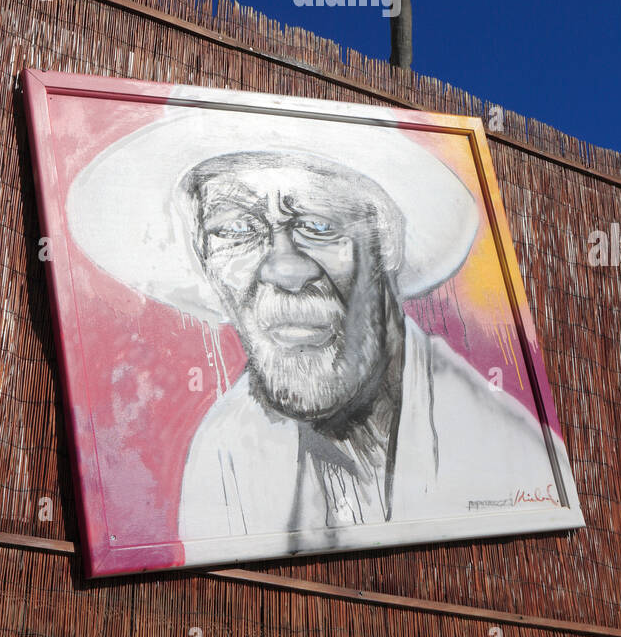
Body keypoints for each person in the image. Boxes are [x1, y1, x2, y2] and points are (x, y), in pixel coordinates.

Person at [66, 100, 576, 561]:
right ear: (205, 259)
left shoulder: (508, 454)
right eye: (235, 230)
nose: (284, 270)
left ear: (388, 244)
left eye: (320, 225)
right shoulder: (223, 454)